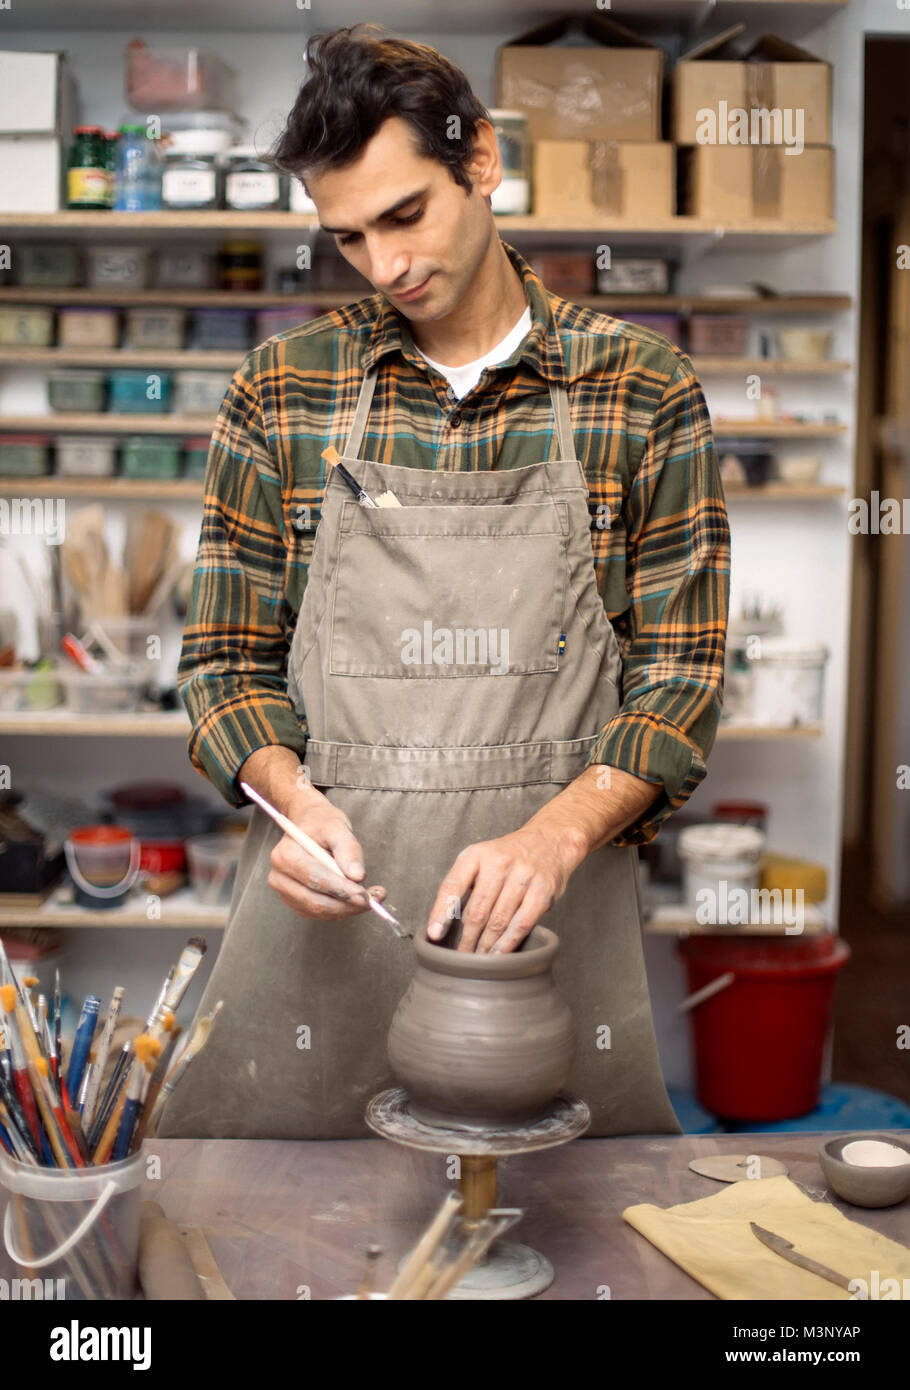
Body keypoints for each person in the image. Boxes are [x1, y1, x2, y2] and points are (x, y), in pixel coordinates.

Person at [158, 26, 730, 1141]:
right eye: (347, 238)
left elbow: (683, 677)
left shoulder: (641, 388)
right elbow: (223, 665)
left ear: (480, 166)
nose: (383, 266)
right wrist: (290, 795)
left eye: (405, 215)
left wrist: (554, 837)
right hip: (321, 935)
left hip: (546, 949)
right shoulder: (282, 389)